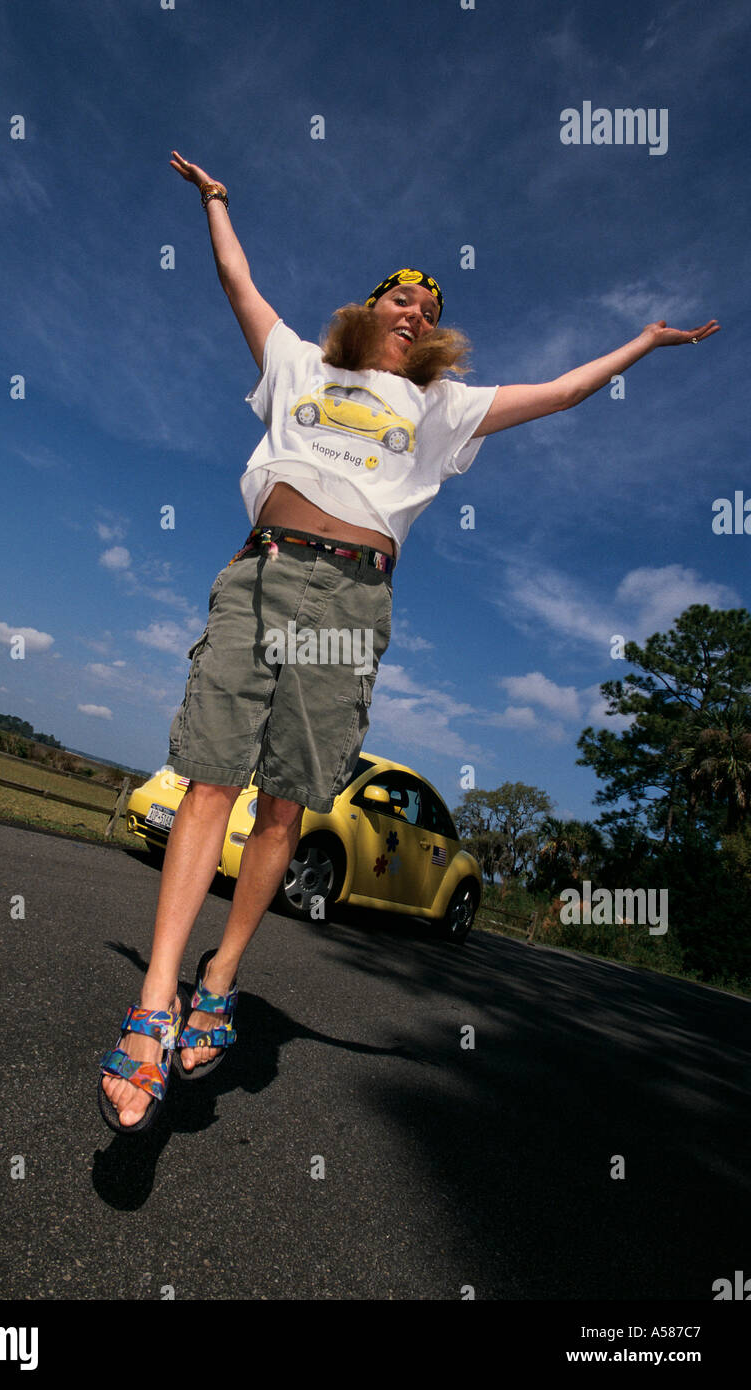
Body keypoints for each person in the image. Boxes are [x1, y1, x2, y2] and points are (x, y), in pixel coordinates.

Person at [98, 149, 719, 1132]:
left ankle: (222, 977)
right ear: (369, 306)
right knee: (210, 775)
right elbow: (237, 280)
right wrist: (217, 201)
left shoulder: (442, 408)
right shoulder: (300, 361)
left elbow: (559, 392)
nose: (417, 310)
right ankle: (155, 999)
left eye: (431, 307)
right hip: (262, 570)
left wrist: (639, 343)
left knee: (288, 803)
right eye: (402, 295)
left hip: (351, 599)